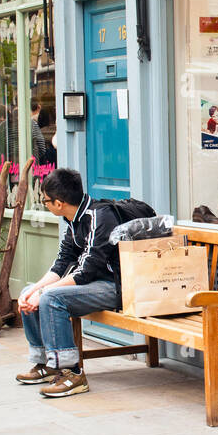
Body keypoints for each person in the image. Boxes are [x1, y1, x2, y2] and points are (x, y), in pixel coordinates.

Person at [15, 168, 146, 398]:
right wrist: (34, 290)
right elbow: (62, 263)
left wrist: (44, 292)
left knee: (51, 298)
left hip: (117, 287)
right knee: (30, 292)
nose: (44, 204)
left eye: (45, 201)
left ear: (58, 203)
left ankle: (73, 374)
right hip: (94, 284)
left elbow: (86, 271)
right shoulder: (74, 219)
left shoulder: (100, 217)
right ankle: (47, 364)